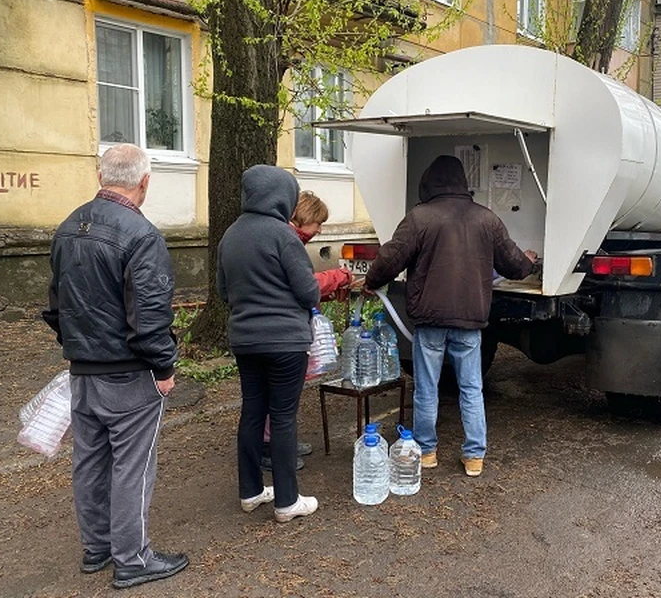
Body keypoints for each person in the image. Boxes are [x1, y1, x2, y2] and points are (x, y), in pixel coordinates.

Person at [42, 144, 188, 589]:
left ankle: (97, 547)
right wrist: (164, 366)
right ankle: (133, 557)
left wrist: (77, 346)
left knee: (89, 459)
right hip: (128, 372)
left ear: (101, 176)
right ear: (144, 182)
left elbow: (55, 303)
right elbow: (149, 315)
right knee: (133, 464)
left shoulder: (68, 227)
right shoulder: (141, 235)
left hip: (83, 369)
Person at [363, 155, 537, 477]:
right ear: (462, 183)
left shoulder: (419, 218)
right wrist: (529, 262)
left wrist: (371, 282)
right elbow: (512, 263)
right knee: (471, 388)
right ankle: (474, 457)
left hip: (430, 319)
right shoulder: (487, 219)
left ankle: (426, 452)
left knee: (427, 388)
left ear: (429, 182)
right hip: (470, 319)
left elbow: (391, 257)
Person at [218, 165, 321, 523]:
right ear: (283, 196)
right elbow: (308, 291)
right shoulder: (283, 236)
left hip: (245, 340)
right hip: (285, 342)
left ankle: (250, 492)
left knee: (252, 412)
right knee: (282, 418)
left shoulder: (229, 236)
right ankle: (287, 502)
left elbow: (222, 292)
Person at [260, 190, 354, 472]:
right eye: (318, 223)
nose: (319, 230)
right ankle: (270, 449)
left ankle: (280, 441)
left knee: (285, 393)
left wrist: (323, 295)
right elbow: (304, 285)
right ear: (304, 218)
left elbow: (294, 288)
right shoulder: (287, 240)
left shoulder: (285, 239)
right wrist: (339, 277)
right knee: (277, 395)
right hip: (279, 332)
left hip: (278, 326)